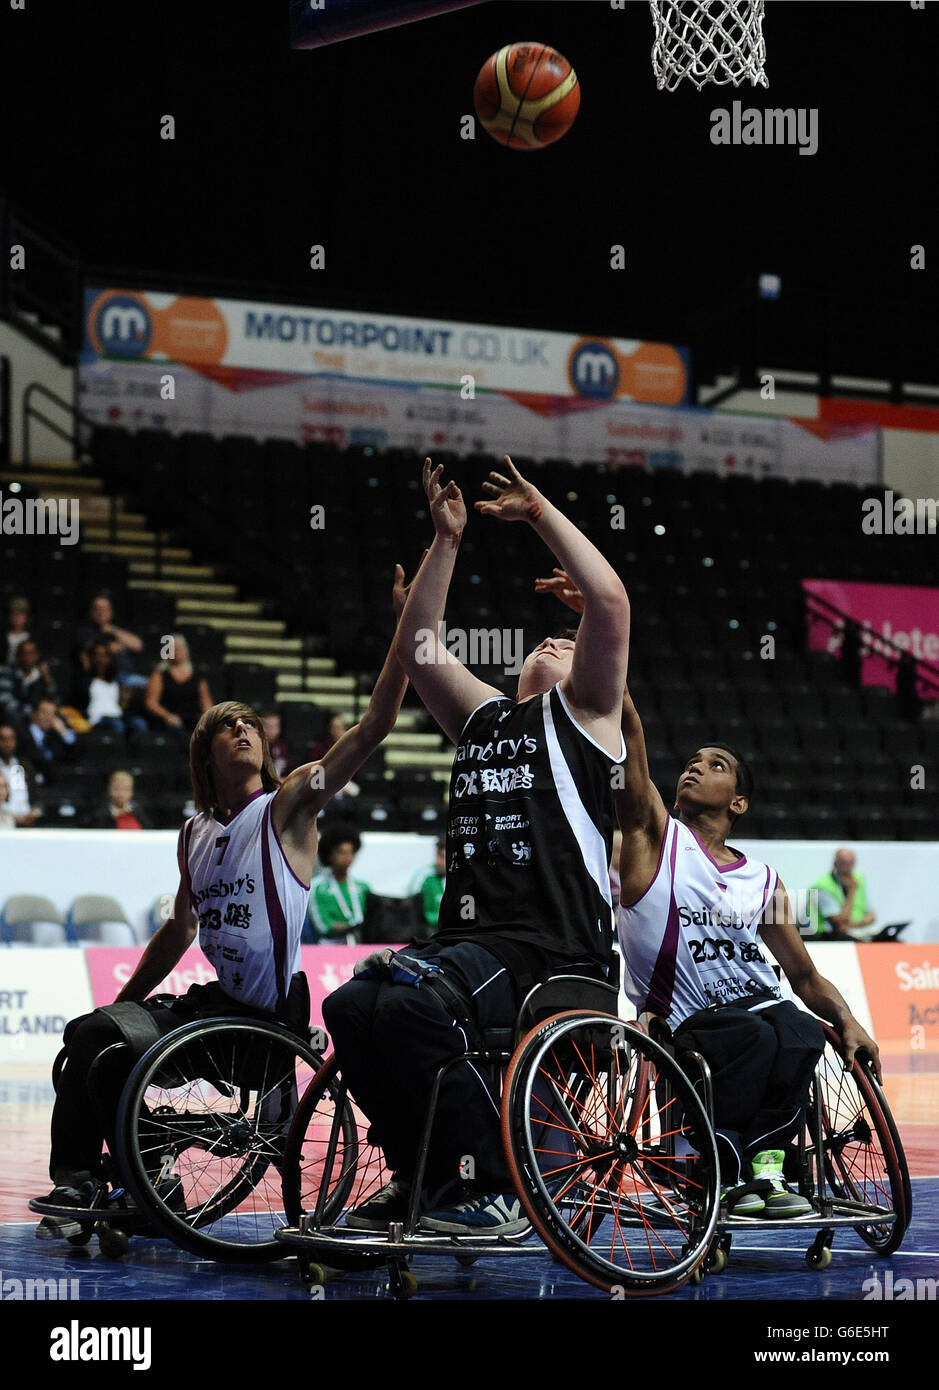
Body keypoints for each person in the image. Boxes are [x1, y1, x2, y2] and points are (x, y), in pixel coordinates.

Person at [33, 561, 415, 1238]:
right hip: (216, 1007)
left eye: (251, 726)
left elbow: (374, 724)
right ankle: (89, 1180)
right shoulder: (194, 832)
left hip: (268, 1021)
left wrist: (408, 626)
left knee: (115, 1053)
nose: (243, 730)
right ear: (205, 755)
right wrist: (124, 998)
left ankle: (141, 1177)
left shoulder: (289, 807)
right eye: (226, 726)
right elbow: (180, 929)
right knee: (91, 1037)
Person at [323, 456, 629, 1235]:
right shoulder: (487, 719)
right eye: (550, 641)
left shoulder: (587, 719)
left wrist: (536, 514)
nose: (557, 644)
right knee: (353, 1002)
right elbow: (420, 647)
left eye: (567, 643)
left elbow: (608, 600)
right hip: (472, 946)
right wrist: (446, 540)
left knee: (417, 999)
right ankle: (419, 1174)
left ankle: (486, 1184)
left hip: (552, 953)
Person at [537, 568, 882, 1219]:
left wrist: (849, 1021)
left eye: (716, 764)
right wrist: (595, 629)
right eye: (692, 760)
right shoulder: (650, 838)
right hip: (683, 1024)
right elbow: (627, 734)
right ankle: (720, 1157)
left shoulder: (763, 879)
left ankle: (767, 1169)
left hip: (763, 1017)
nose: (695, 765)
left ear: (740, 801)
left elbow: (804, 974)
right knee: (758, 1034)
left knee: (797, 1031)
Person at [306, 824, 372, 943]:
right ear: (330, 855)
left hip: (361, 945)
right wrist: (353, 927)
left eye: (351, 852)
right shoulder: (317, 887)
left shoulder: (363, 887)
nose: (347, 857)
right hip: (330, 946)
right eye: (341, 852)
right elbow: (322, 925)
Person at [145, 633, 213, 733]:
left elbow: (206, 702)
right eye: (173, 648)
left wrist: (209, 718)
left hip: (192, 719)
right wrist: (167, 716)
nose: (177, 651)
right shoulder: (160, 674)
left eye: (179, 648)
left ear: (186, 650)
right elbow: (151, 703)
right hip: (168, 720)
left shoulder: (198, 675)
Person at [808, 848, 878, 941]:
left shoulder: (859, 878)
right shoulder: (822, 887)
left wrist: (855, 925)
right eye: (844, 863)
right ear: (835, 863)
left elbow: (872, 916)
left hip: (859, 929)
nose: (848, 868)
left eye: (851, 863)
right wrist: (851, 891)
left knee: (889, 938)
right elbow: (839, 924)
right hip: (828, 935)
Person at [26, 696, 78, 778]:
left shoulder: (55, 736)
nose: (48, 718)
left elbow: (74, 755)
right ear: (33, 714)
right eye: (44, 713)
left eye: (52, 714)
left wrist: (64, 732)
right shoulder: (23, 734)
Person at [0, 724, 40, 825]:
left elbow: (37, 795)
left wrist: (34, 812)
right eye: (3, 739)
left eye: (11, 739)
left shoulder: (25, 765)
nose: (7, 743)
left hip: (28, 820)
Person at [407, 838, 446, 938]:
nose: (438, 861)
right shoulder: (424, 876)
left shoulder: (463, 878)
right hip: (428, 929)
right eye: (437, 856)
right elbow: (411, 905)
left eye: (443, 857)